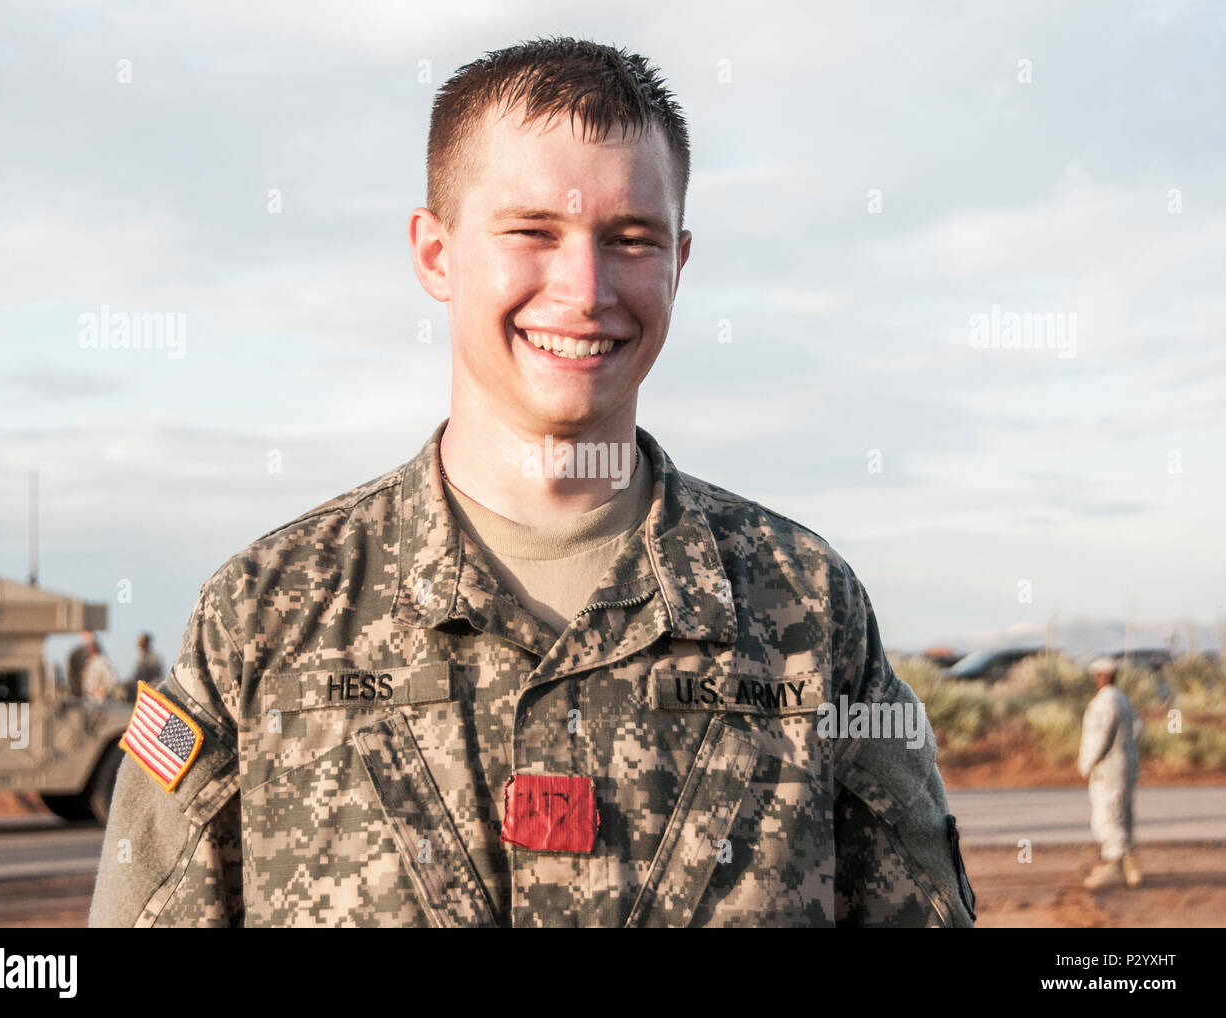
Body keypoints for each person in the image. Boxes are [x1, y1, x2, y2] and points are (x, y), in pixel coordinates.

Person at [89, 37, 976, 928]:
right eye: (532, 232)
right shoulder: (267, 617)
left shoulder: (805, 610)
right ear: (436, 254)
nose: (585, 289)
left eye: (631, 239)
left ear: (680, 261)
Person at [1079, 657, 1143, 889]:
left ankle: (1114, 866)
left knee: (1109, 815)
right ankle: (1130, 867)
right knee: (1123, 813)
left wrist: (1086, 764)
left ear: (1102, 676)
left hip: (1108, 770)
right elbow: (1138, 730)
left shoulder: (1103, 702)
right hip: (1125, 767)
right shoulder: (1124, 699)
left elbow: (1100, 737)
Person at [120, 632, 163, 705]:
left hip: (151, 683)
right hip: (138, 683)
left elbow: (156, 673)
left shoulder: (154, 657)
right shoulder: (140, 656)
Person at [65, 629, 94, 697]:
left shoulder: (97, 651)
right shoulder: (76, 653)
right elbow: (71, 673)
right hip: (79, 691)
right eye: (85, 635)